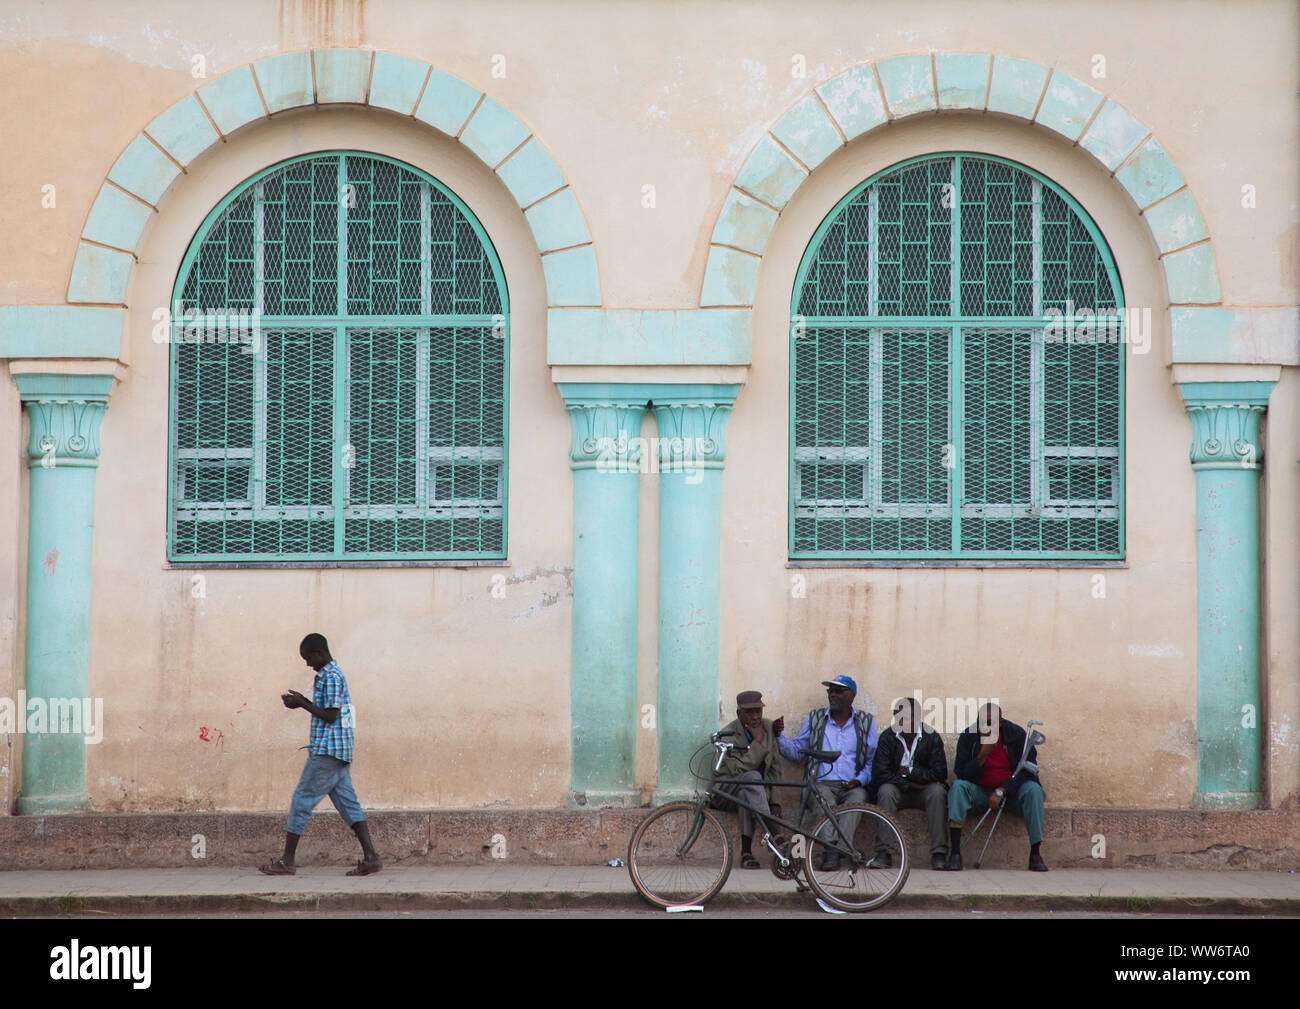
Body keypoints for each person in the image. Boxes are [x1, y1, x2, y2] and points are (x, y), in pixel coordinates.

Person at [260, 633, 382, 877]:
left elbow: (331, 716)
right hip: (336, 751)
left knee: (301, 800)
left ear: (320, 653)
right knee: (348, 805)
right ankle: (371, 858)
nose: (307, 664)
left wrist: (301, 703)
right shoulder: (327, 676)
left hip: (328, 750)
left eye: (308, 658)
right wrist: (303, 700)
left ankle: (287, 862)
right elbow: (328, 711)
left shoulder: (332, 677)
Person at [776, 675, 878, 871]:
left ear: (852, 696)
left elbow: (872, 761)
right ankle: (834, 852)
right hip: (821, 783)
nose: (833, 695)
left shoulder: (865, 722)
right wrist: (779, 736)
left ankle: (835, 851)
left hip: (852, 784)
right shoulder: (815, 719)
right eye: (830, 691)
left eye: (838, 691)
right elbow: (797, 752)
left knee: (856, 801)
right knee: (824, 801)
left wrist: (859, 780)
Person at [941, 703, 1047, 872]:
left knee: (1034, 790)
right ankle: (955, 854)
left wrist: (1002, 789)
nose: (986, 727)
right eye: (982, 722)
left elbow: (1029, 771)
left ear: (1001, 723)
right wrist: (983, 755)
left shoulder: (1017, 735)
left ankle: (1035, 854)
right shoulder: (969, 736)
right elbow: (962, 773)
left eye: (991, 723)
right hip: (981, 793)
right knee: (958, 787)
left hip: (1011, 794)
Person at [872, 696, 949, 870]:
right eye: (897, 718)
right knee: (885, 791)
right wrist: (909, 784)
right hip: (899, 791)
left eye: (905, 718)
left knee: (937, 793)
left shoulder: (931, 737)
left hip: (925, 793)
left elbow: (940, 773)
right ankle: (884, 853)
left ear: (917, 719)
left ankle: (939, 853)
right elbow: (880, 773)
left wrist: (911, 772)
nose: (900, 723)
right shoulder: (887, 737)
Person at [712, 690, 785, 868]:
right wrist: (758, 744)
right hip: (726, 790)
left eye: (758, 712)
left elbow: (775, 767)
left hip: (753, 792)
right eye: (749, 712)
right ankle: (775, 834)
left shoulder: (768, 727)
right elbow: (737, 770)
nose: (755, 717)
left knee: (747, 794)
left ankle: (746, 853)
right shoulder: (728, 734)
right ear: (739, 714)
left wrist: (775, 801)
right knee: (751, 778)